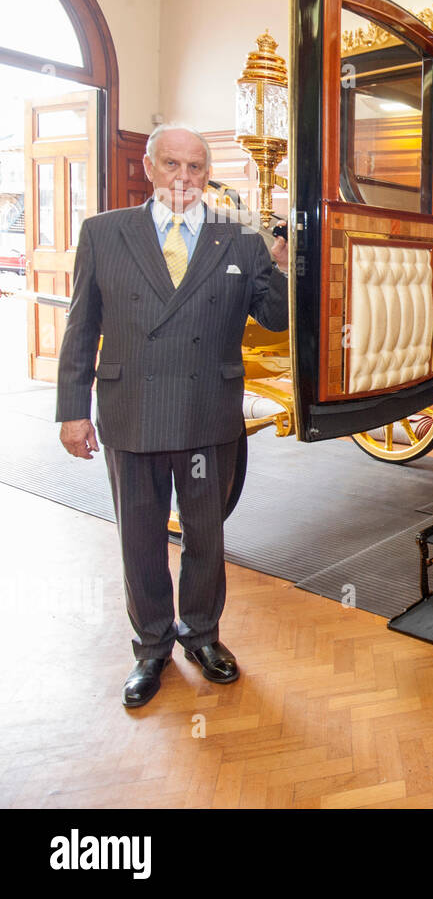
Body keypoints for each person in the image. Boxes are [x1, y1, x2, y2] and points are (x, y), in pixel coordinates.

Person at [55, 124, 290, 708]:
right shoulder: (104, 233)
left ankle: (203, 636)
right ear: (149, 167)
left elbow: (279, 318)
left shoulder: (238, 238)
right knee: (140, 536)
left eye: (196, 168)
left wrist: (285, 263)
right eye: (173, 166)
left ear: (207, 175)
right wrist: (71, 411)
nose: (184, 179)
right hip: (131, 409)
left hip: (208, 410)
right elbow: (80, 328)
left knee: (206, 536)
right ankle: (152, 647)